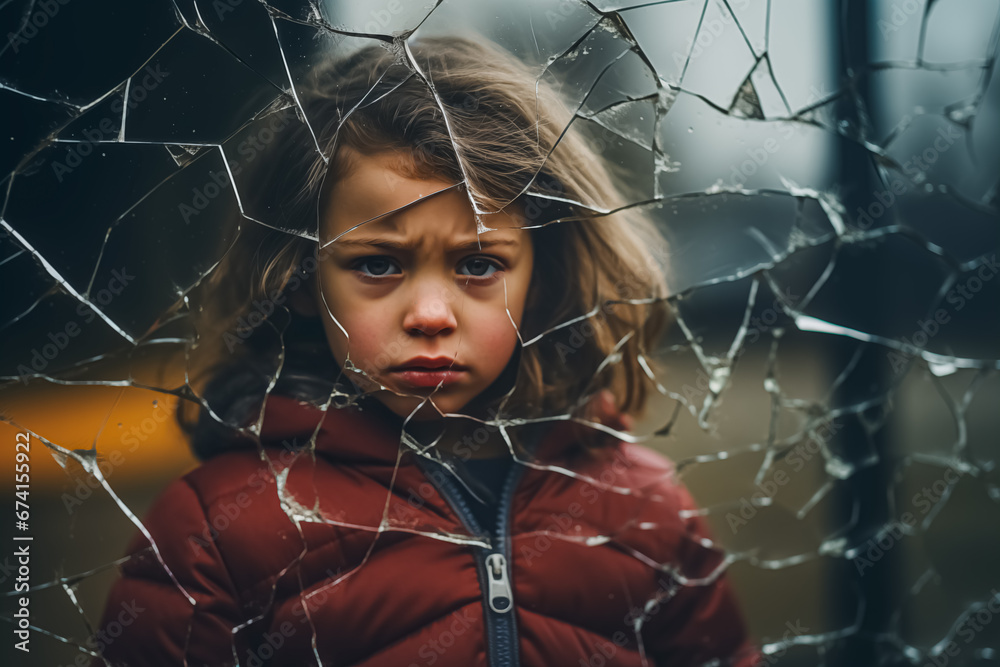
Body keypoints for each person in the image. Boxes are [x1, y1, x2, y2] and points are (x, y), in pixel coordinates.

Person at [92, 36, 756, 666]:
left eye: (477, 263)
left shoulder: (647, 511)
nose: (431, 315)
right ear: (297, 278)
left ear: (543, 275)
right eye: (378, 264)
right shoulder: (215, 534)